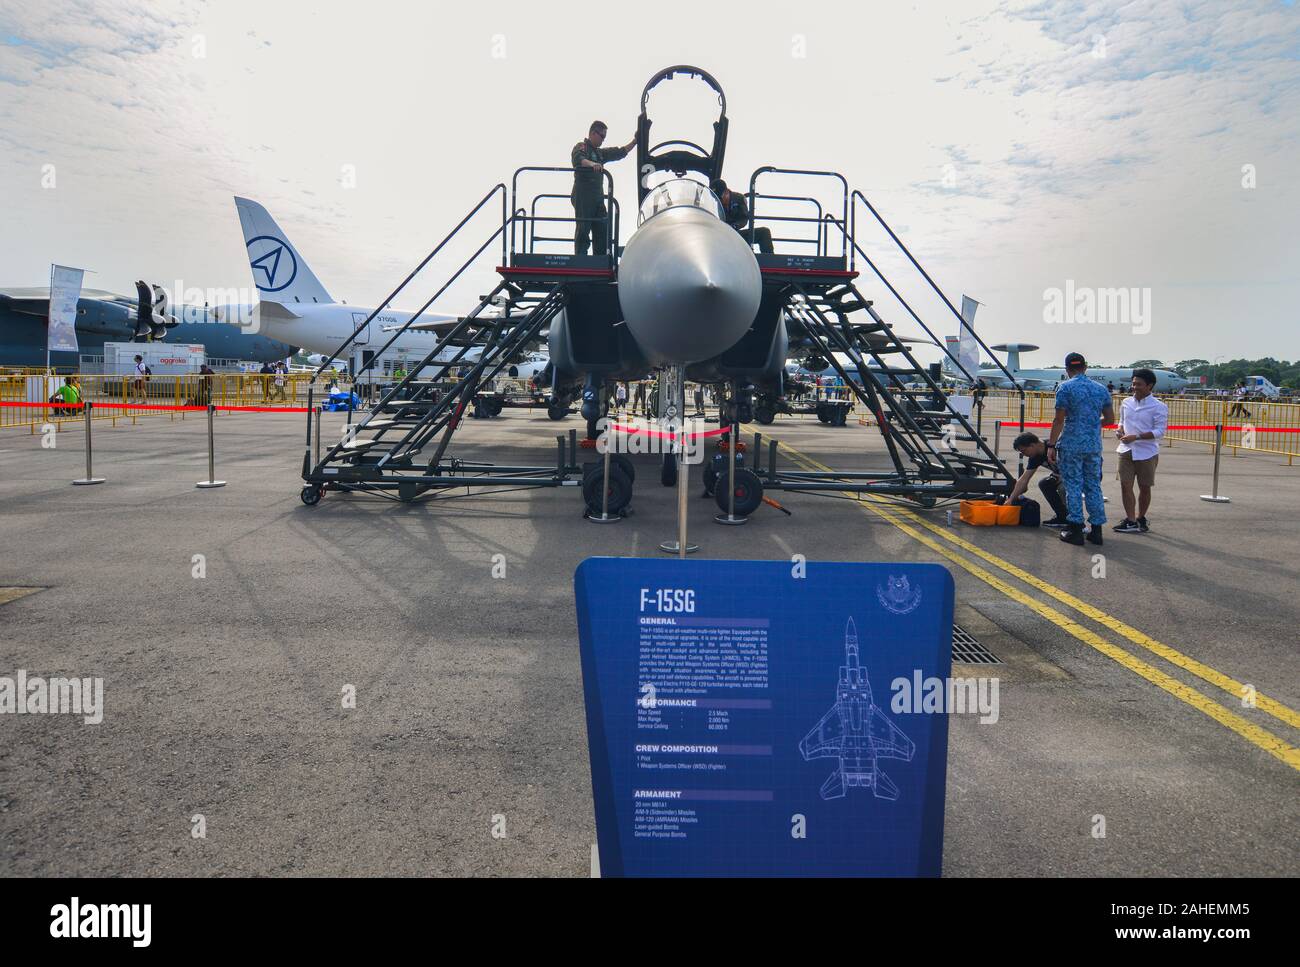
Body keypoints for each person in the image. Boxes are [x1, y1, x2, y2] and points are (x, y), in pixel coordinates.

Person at [1046, 352, 1115, 546]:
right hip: (1093, 445)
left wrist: (1051, 444)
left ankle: (1076, 529)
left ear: (1067, 369)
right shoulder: (1101, 389)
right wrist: (1091, 424)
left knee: (1073, 485)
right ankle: (1097, 531)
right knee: (1093, 485)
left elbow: (1059, 419)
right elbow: (1110, 420)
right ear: (1085, 367)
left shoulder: (1065, 388)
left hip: (1071, 444)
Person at [1113, 368, 1168, 534]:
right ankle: (1130, 520)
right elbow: (1121, 421)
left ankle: (1140, 517)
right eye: (1133, 383)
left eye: (1139, 384)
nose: (1134, 387)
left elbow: (1160, 432)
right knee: (1125, 485)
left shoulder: (1158, 406)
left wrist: (1135, 437)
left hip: (1147, 452)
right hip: (1126, 450)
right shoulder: (1126, 402)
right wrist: (1120, 430)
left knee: (1144, 487)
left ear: (1150, 386)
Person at [571, 121, 635, 256]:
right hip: (583, 196)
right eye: (602, 136)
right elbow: (578, 159)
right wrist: (592, 164)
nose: (603, 140)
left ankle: (599, 258)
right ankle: (580, 259)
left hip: (597, 199)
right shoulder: (582, 147)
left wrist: (635, 141)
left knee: (602, 228)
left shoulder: (600, 153)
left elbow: (618, 152)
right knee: (583, 229)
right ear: (593, 133)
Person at [1006, 431, 1068, 527]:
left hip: (1081, 475)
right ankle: (1062, 517)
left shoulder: (1055, 447)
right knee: (1045, 484)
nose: (1024, 454)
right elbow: (1024, 479)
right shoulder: (1035, 456)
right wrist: (1011, 499)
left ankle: (1075, 521)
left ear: (1032, 445)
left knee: (1063, 488)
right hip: (1062, 476)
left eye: (1024, 451)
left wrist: (1063, 477)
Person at [710, 179, 774, 254]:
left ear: (727, 192)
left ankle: (769, 259)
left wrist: (734, 226)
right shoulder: (713, 204)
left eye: (720, 198)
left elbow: (744, 219)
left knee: (764, 232)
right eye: (716, 199)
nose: (719, 201)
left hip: (736, 234)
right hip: (722, 237)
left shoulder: (739, 198)